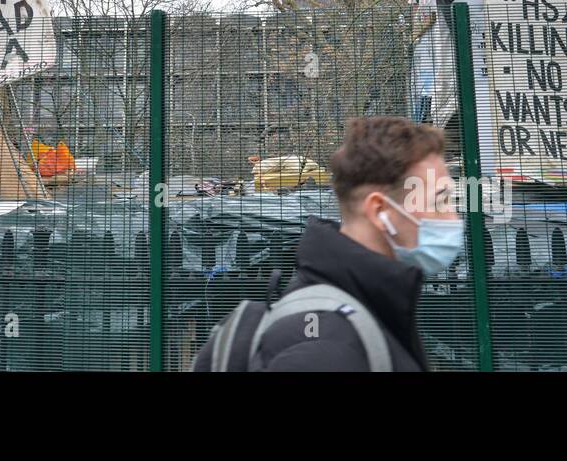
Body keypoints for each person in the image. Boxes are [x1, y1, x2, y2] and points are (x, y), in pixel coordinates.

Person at [194, 116, 463, 371]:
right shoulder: (324, 351)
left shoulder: (365, 312)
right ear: (380, 210)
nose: (453, 216)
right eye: (439, 201)